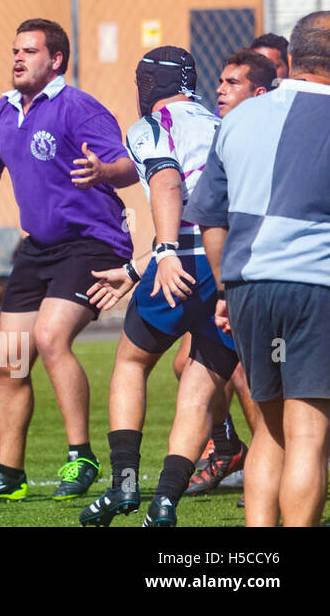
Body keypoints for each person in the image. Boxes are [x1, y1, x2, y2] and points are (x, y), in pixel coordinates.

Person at [0, 18, 137, 501]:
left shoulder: (79, 108)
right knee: (10, 360)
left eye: (29, 51)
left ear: (55, 60)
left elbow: (128, 166)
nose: (17, 58)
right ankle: (9, 474)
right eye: (15, 50)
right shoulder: (1, 112)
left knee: (49, 337)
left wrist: (103, 169)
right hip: (38, 247)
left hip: (92, 242)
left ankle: (80, 455)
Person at [79, 47, 237, 526]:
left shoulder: (151, 125)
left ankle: (124, 485)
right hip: (232, 265)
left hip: (184, 259)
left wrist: (163, 253)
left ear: (147, 83)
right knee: (203, 377)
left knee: (131, 361)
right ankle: (166, 499)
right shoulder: (221, 124)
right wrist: (134, 268)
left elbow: (166, 181)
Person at [186, 11, 330, 527]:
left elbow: (209, 218)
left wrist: (226, 290)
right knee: (309, 433)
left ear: (291, 59)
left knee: (270, 429)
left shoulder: (240, 117)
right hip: (316, 287)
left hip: (249, 288)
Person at [178, 48, 275, 497]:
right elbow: (207, 216)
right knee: (191, 364)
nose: (219, 89)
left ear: (260, 91)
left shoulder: (268, 132)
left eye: (231, 83)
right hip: (233, 278)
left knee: (257, 376)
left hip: (264, 277)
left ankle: (268, 463)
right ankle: (237, 451)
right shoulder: (225, 134)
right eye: (219, 81)